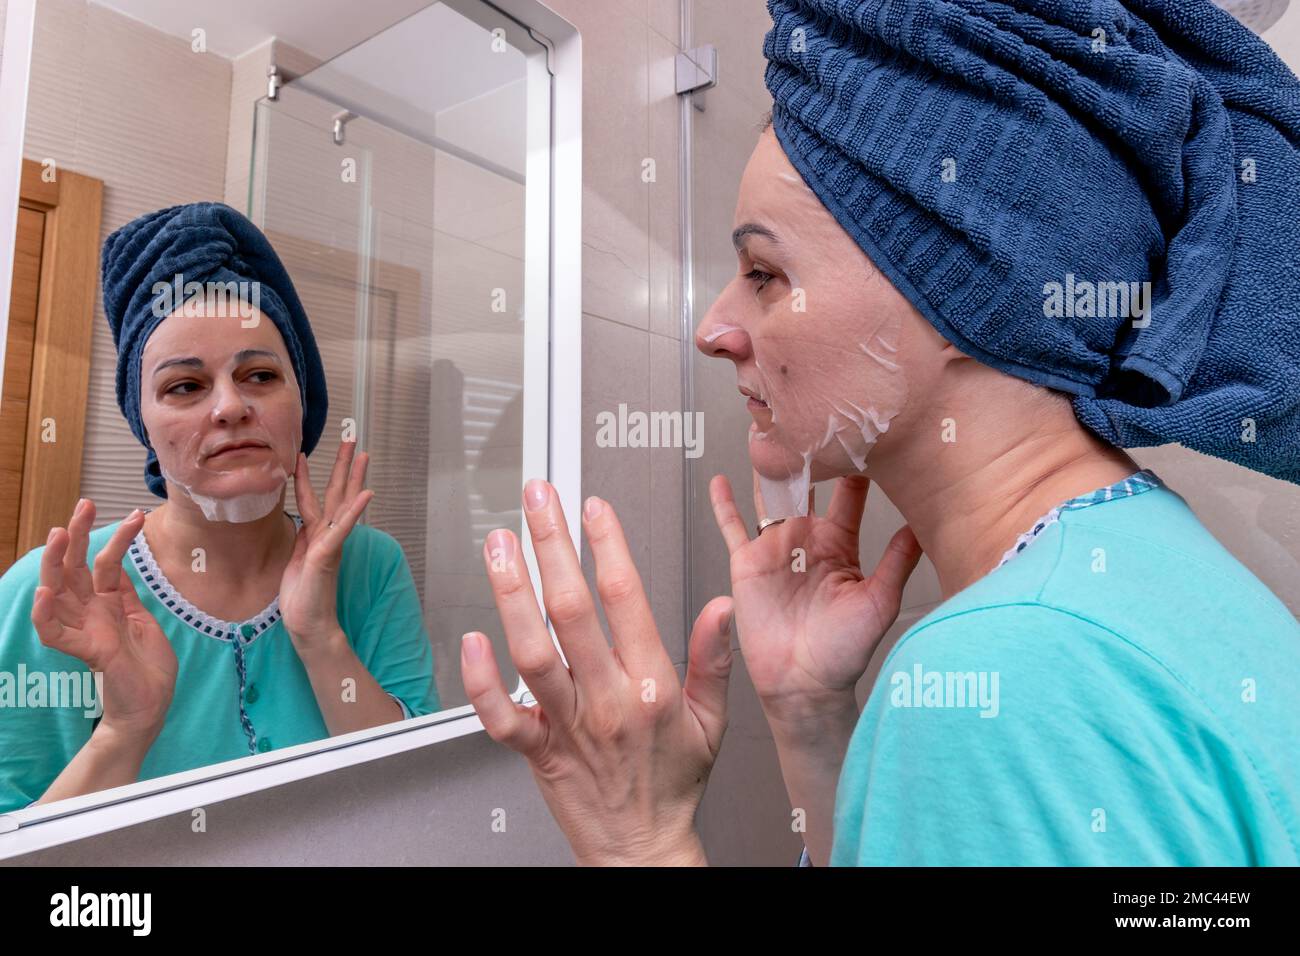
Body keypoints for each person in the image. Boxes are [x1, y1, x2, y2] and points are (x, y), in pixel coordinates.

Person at [459, 0, 1300, 865]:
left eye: (763, 273)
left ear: (961, 295)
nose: (712, 327)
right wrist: (810, 721)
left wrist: (643, 844)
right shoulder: (1140, 569)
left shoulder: (1011, 679)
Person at [0, 202, 438, 814]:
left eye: (260, 375)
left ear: (301, 400)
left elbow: (420, 803)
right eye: (185, 386)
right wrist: (126, 730)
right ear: (143, 423)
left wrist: (319, 635)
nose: (230, 407)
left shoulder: (369, 566)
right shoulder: (48, 595)